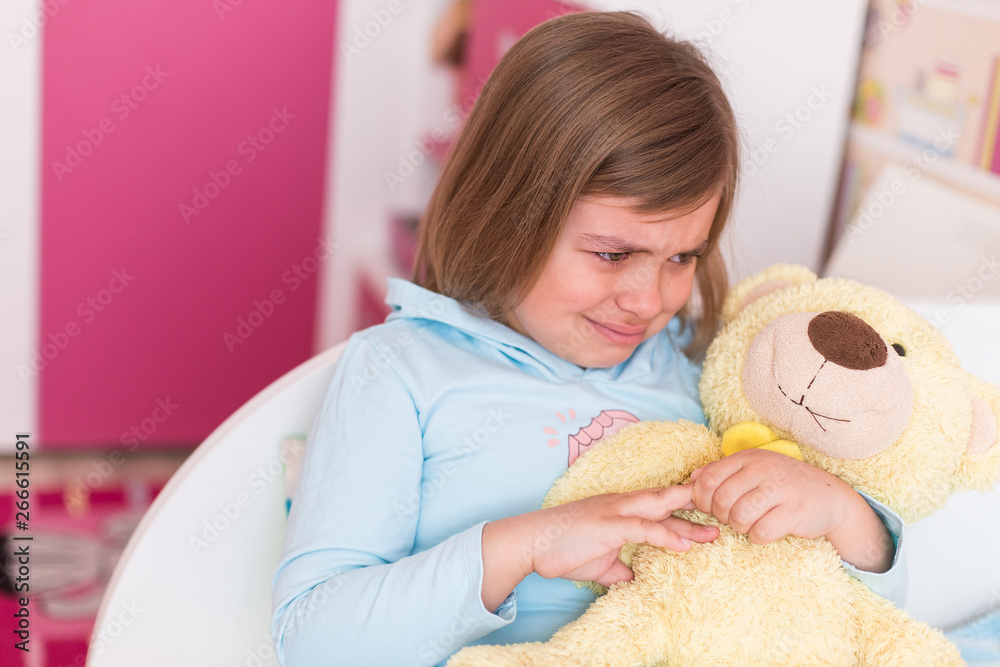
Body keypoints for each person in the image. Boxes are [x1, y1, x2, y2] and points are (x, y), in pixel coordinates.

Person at [270, 10, 904, 666]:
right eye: (610, 254)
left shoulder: (705, 368)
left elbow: (864, 614)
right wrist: (529, 544)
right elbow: (315, 641)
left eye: (682, 258)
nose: (647, 300)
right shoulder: (402, 372)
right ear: (506, 214)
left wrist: (841, 514)